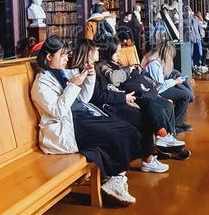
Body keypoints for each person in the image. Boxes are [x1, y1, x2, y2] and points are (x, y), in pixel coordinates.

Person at [31, 35, 139, 206]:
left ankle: (115, 177)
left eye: (67, 55)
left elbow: (84, 99)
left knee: (128, 129)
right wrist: (72, 85)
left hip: (79, 120)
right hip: (65, 129)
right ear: (48, 57)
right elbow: (57, 111)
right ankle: (116, 178)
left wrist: (89, 77)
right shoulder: (41, 83)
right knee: (119, 134)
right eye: (63, 56)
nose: (67, 59)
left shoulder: (60, 74)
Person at [72, 38, 169, 174]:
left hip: (112, 101)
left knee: (144, 115)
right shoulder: (86, 70)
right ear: (88, 53)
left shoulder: (93, 67)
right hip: (107, 106)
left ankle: (150, 154)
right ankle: (147, 158)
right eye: (95, 50)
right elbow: (98, 96)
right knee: (142, 119)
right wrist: (123, 97)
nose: (98, 51)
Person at [95, 38, 189, 160]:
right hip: (129, 94)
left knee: (167, 106)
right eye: (116, 52)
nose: (119, 55)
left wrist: (130, 69)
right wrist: (129, 69)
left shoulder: (116, 63)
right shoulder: (102, 65)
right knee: (153, 106)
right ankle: (164, 139)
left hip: (141, 90)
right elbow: (114, 78)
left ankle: (169, 142)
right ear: (108, 51)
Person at [141, 39, 194, 132]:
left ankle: (178, 123)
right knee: (184, 96)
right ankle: (176, 125)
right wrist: (175, 82)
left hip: (158, 88)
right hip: (156, 90)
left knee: (184, 93)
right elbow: (160, 85)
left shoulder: (155, 59)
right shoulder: (154, 64)